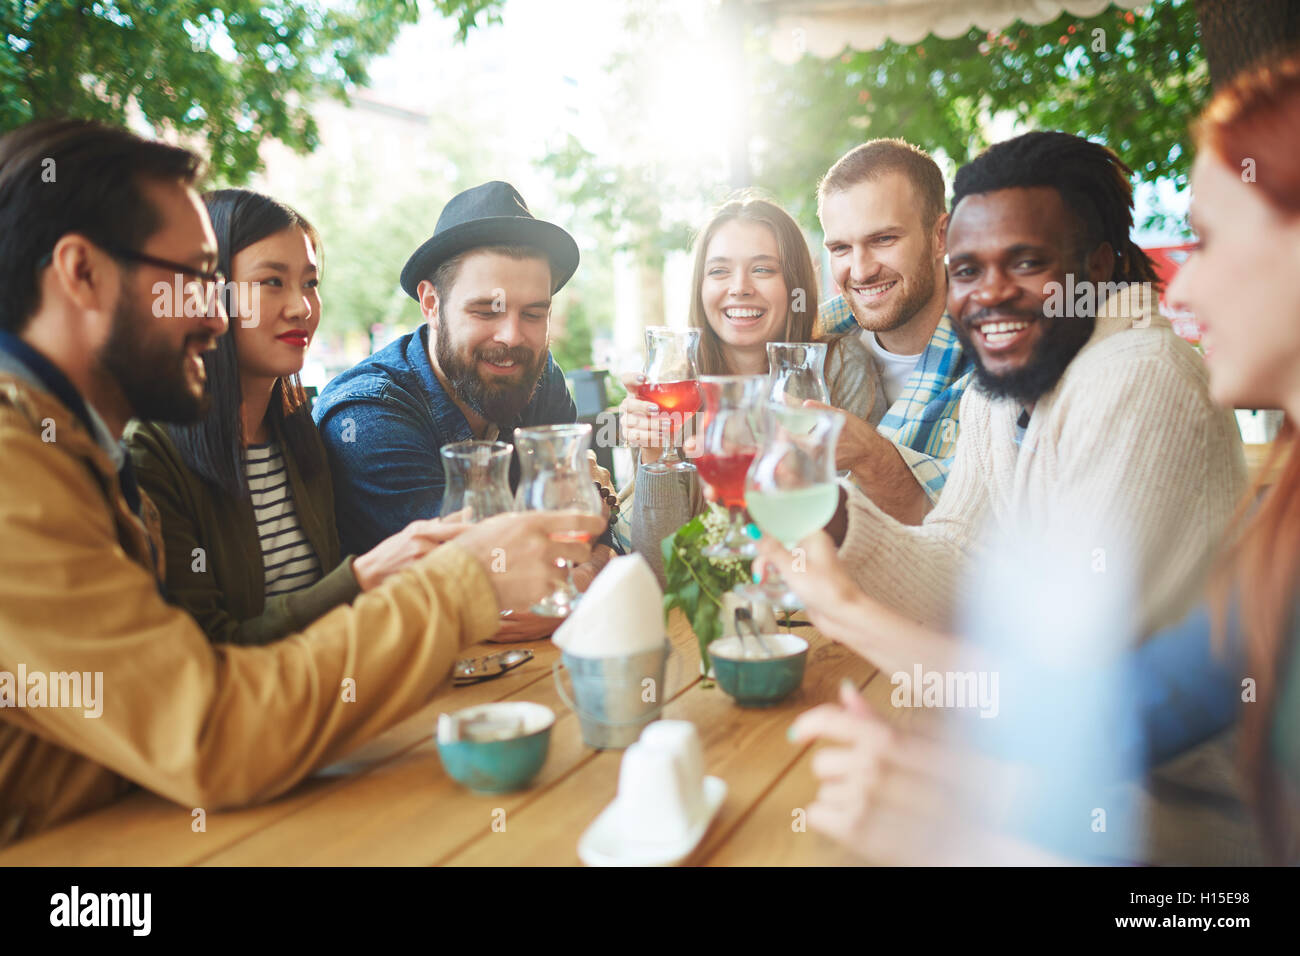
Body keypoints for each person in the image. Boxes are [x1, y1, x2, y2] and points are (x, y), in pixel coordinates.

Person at [0, 119, 603, 846]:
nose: (217, 311)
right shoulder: (18, 470)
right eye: (195, 278)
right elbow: (211, 730)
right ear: (82, 274)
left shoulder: (81, 446)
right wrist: (460, 581)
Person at [761, 129, 1262, 865]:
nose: (988, 292)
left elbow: (1062, 688)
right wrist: (832, 518)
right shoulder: (1008, 388)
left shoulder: (1139, 378)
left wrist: (849, 615)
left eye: (1025, 262)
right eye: (967, 268)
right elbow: (958, 560)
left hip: (1172, 829)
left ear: (1095, 266)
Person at [126, 189, 464, 645]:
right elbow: (210, 651)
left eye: (310, 283)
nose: (301, 307)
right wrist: (362, 577)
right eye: (272, 282)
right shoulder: (151, 452)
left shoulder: (297, 428)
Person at [312, 181, 615, 640]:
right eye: (487, 311)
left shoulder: (539, 374)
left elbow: (588, 528)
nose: (513, 337)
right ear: (431, 304)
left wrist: (585, 571)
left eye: (533, 314)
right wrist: (591, 574)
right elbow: (486, 591)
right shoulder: (369, 414)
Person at [616, 194, 886, 580]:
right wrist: (654, 451)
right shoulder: (676, 390)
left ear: (795, 283)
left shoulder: (838, 369)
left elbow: (861, 541)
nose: (739, 288)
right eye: (719, 271)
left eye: (762, 269)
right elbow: (661, 573)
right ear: (701, 287)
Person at [814, 139, 977, 524]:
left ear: (941, 237)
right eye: (840, 248)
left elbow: (975, 534)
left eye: (883, 239)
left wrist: (871, 455)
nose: (861, 269)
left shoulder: (1002, 356)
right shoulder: (813, 345)